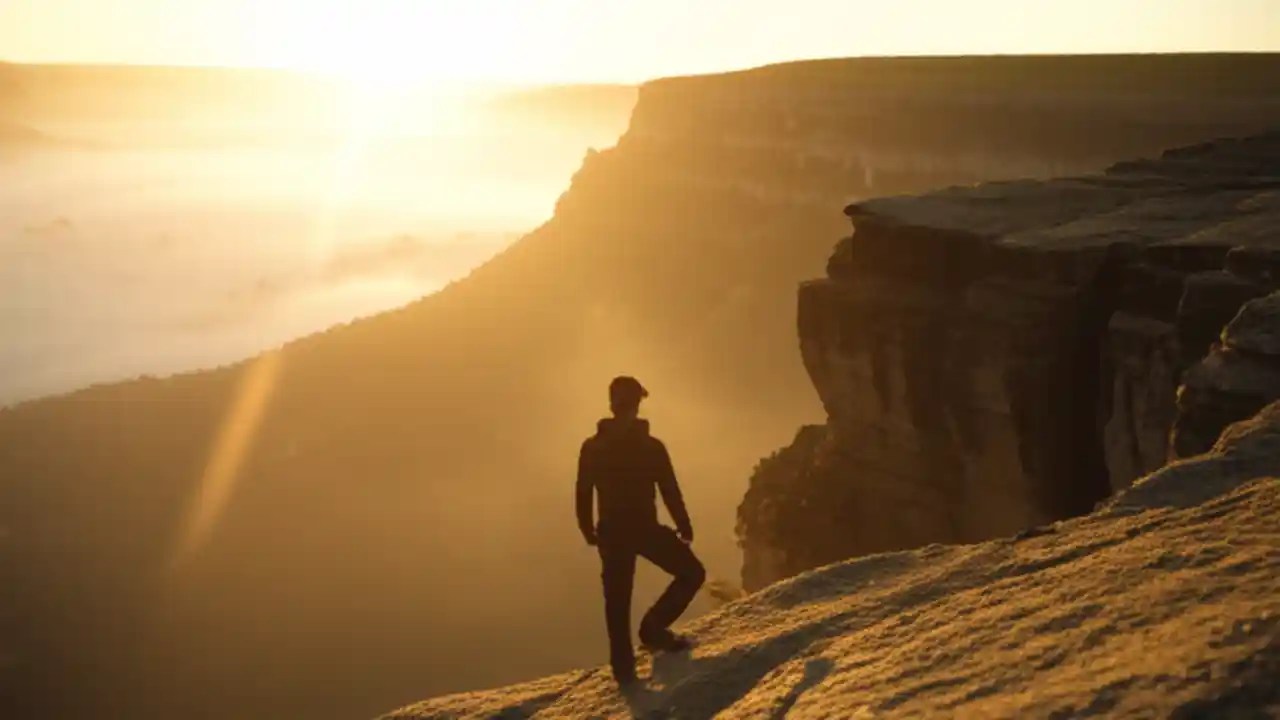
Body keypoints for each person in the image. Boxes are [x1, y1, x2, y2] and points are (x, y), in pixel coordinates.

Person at [576, 376, 706, 686]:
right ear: (636, 405)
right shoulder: (650, 446)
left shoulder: (594, 447)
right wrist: (683, 524)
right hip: (644, 529)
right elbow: (669, 489)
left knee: (617, 601)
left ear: (612, 404)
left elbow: (583, 492)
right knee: (691, 573)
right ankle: (653, 629)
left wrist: (588, 530)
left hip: (614, 532)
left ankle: (624, 666)